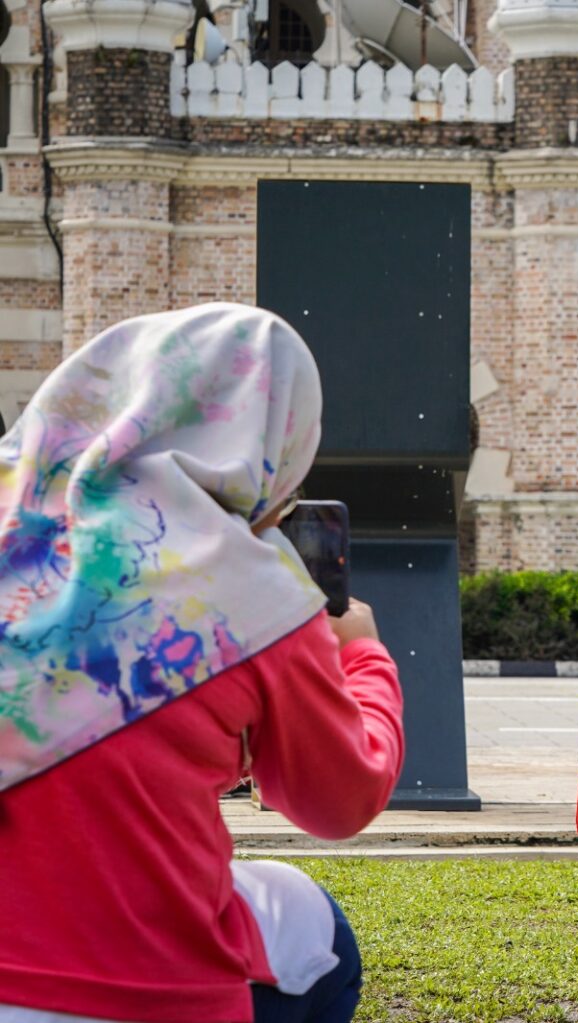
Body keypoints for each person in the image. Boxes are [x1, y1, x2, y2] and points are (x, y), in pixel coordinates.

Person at [0, 303, 405, 1022]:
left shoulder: (15, 536)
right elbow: (340, 800)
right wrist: (363, 656)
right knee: (323, 935)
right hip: (160, 989)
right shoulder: (258, 598)